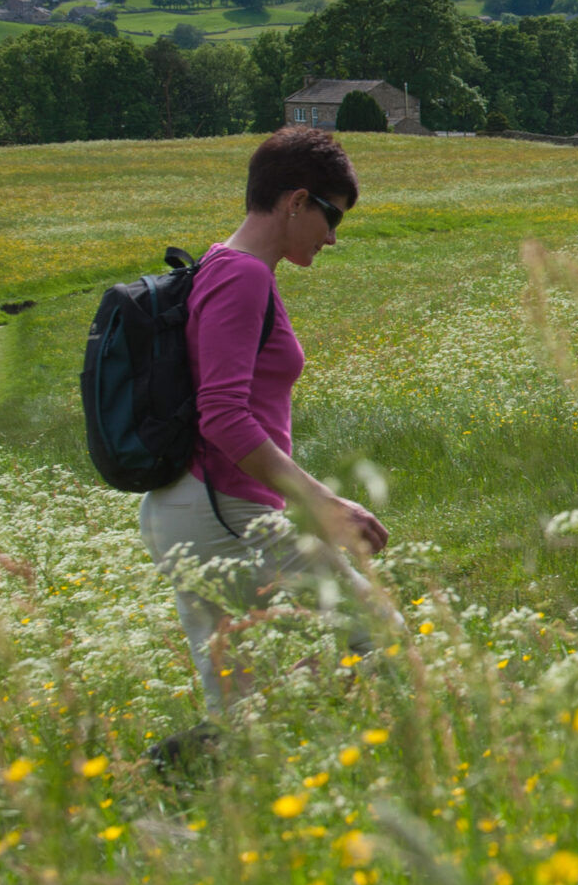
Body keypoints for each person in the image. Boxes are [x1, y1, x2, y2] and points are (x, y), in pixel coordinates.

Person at [139, 126, 391, 717]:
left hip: (192, 508)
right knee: (377, 637)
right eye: (332, 218)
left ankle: (185, 779)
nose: (332, 238)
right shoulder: (243, 275)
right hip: (224, 511)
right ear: (296, 200)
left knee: (235, 704)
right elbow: (223, 415)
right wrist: (326, 504)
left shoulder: (224, 266)